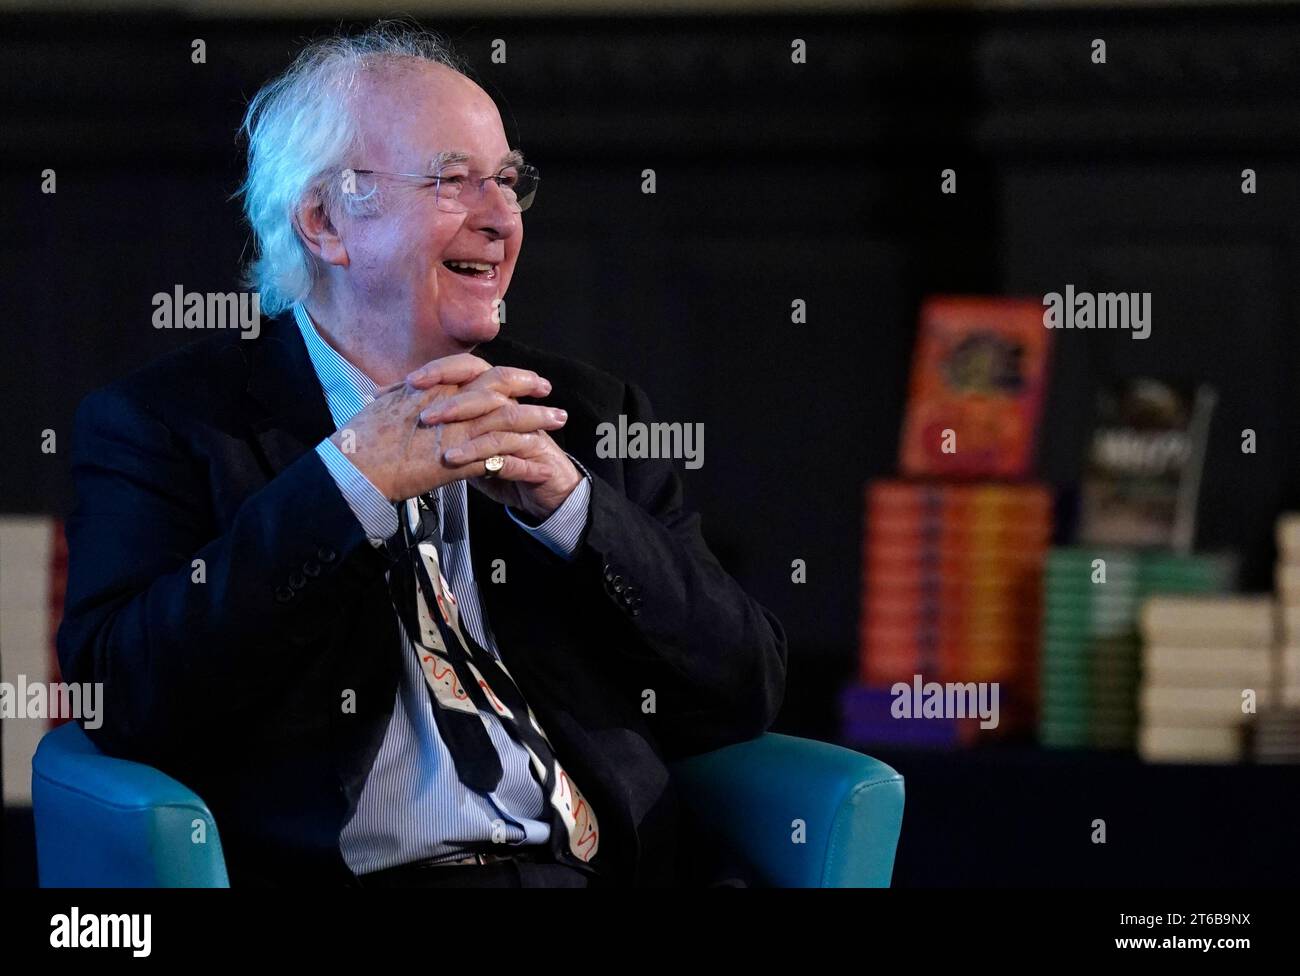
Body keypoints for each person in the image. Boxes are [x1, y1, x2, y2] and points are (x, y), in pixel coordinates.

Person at [56, 23, 786, 888]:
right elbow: (122, 699)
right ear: (327, 221)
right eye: (452, 181)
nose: (502, 216)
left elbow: (746, 687)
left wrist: (577, 510)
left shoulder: (584, 415)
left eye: (510, 182)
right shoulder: (166, 425)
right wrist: (347, 486)